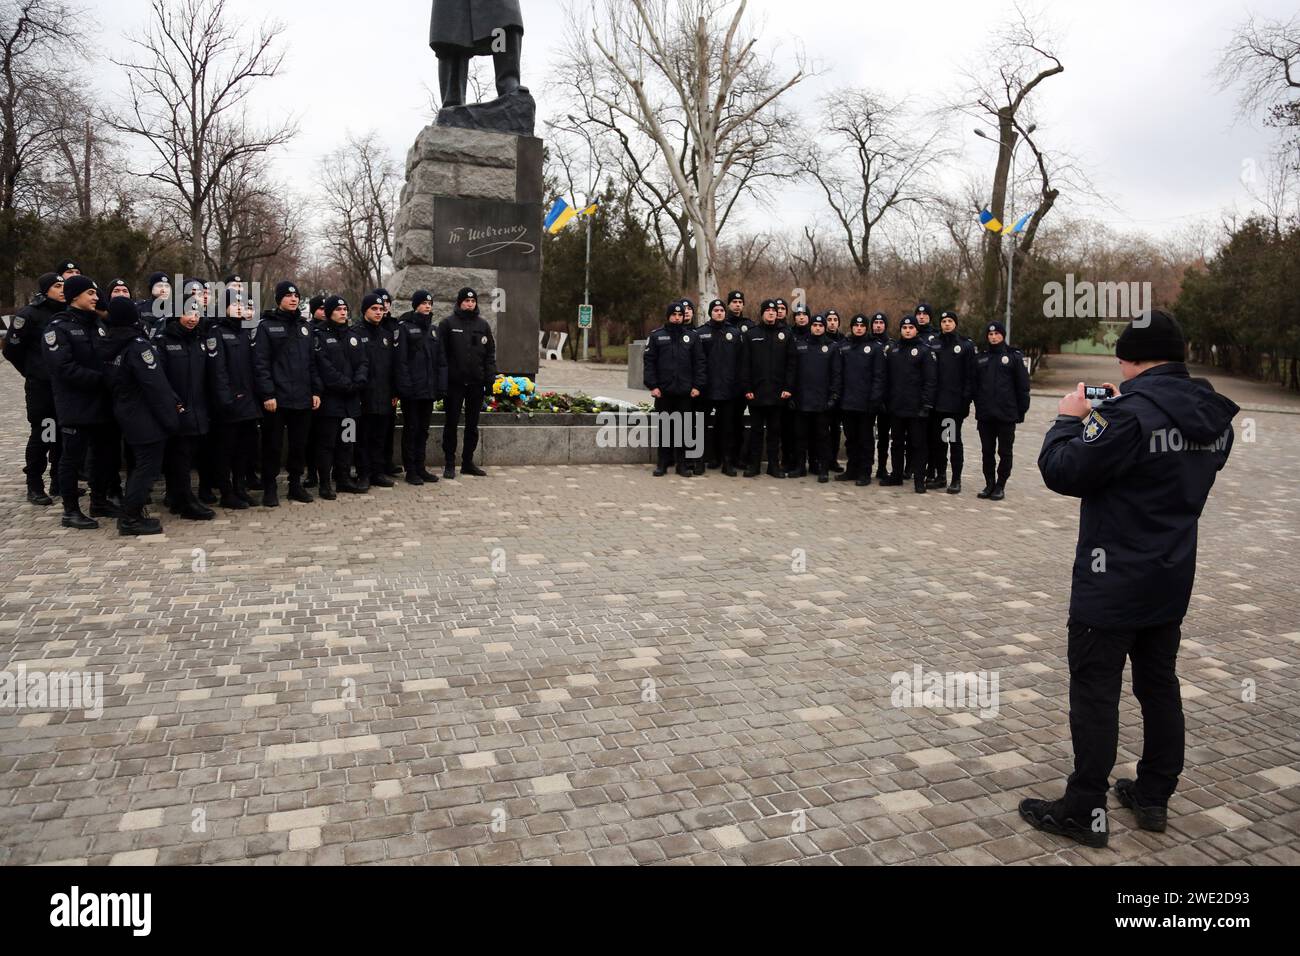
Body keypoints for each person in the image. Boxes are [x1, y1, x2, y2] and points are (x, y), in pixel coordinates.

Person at [1022, 311, 1238, 849]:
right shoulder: (1214, 415)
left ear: (1131, 358)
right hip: (1169, 575)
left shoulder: (1126, 415)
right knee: (1158, 684)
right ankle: (1153, 792)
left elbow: (1064, 470)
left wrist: (1069, 419)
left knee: (1096, 690)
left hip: (1112, 578)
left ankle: (1084, 806)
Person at [43, 276, 120, 529]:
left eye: (96, 293)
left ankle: (99, 500)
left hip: (102, 403)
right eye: (90, 293)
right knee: (72, 458)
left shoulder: (97, 323)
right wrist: (101, 379)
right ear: (75, 295)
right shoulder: (58, 327)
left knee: (104, 455)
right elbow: (63, 367)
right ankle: (70, 510)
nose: (96, 297)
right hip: (75, 403)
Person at [102, 297, 178, 536]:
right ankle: (130, 518)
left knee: (140, 465)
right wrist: (171, 419)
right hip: (144, 415)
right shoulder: (138, 346)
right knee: (147, 467)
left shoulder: (112, 342)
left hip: (126, 411)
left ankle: (131, 513)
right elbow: (156, 386)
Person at [252, 281, 320, 507]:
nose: (294, 299)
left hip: (302, 397)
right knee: (272, 445)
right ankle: (270, 487)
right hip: (276, 399)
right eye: (288, 296)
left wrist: (315, 390)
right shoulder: (266, 326)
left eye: (296, 296)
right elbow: (260, 364)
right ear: (279, 299)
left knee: (299, 445)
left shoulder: (305, 327)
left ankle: (295, 485)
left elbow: (312, 362)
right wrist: (267, 394)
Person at [3, 273, 64, 505]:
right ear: (45, 289)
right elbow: (11, 350)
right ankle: (35, 484)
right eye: (57, 286)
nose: (62, 290)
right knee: (45, 432)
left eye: (63, 286)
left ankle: (59, 480)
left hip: (63, 387)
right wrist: (32, 371)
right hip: (42, 388)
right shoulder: (30, 314)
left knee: (63, 434)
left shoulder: (66, 312)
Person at [158, 299, 215, 521]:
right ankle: (184, 501)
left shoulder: (201, 341)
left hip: (199, 409)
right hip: (177, 409)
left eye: (197, 314)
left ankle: (178, 497)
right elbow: (159, 378)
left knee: (190, 455)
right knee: (179, 457)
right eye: (187, 313)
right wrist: (173, 401)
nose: (193, 318)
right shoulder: (163, 342)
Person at [311, 296, 370, 499]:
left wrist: (359, 381)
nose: (343, 312)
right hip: (331, 402)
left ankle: (343, 480)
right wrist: (347, 384)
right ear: (329, 313)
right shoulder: (318, 335)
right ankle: (325, 484)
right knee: (327, 444)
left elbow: (363, 361)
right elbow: (324, 367)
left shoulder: (353, 335)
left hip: (351, 403)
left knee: (347, 441)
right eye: (338, 309)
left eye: (345, 308)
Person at [208, 291, 261, 510]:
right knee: (225, 450)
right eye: (234, 305)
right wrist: (225, 399)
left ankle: (240, 488)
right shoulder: (216, 332)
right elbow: (217, 370)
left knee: (244, 449)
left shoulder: (245, 332)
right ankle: (226, 492)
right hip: (229, 404)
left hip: (248, 403)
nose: (239, 308)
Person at [438, 287, 496, 479]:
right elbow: (441, 356)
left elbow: (489, 356)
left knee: (472, 425)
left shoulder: (483, 325)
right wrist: (442, 383)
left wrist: (489, 381)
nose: (470, 304)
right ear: (459, 302)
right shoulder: (447, 324)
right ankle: (449, 463)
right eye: (466, 301)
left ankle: (467, 462)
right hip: (455, 384)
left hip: (476, 384)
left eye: (473, 301)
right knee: (451, 424)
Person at [643, 301, 705, 478]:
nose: (677, 318)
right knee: (665, 429)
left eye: (680, 315)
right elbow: (649, 363)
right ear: (668, 316)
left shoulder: (692, 337)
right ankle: (662, 463)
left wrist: (697, 386)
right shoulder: (657, 336)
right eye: (674, 315)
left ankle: (682, 465)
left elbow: (700, 363)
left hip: (685, 392)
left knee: (684, 429)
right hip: (664, 392)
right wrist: (652, 386)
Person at [973, 321, 1031, 501]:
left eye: (997, 334)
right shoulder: (981, 358)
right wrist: (978, 405)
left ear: (1003, 335)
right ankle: (989, 483)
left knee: (1004, 452)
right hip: (986, 415)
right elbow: (975, 386)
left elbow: (1023, 387)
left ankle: (1000, 485)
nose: (993, 337)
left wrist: (1021, 411)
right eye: (990, 334)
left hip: (1006, 414)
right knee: (987, 451)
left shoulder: (1013, 357)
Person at [396, 290, 448, 486]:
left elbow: (441, 361)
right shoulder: (405, 328)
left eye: (430, 303)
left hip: (428, 390)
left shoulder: (434, 330)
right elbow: (401, 362)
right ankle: (410, 470)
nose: (428, 306)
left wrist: (441, 387)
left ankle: (420, 466)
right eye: (424, 303)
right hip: (412, 391)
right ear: (415, 305)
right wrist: (405, 387)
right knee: (411, 429)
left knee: (423, 430)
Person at [739, 300, 794, 479]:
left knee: (774, 432)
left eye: (774, 311)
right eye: (768, 311)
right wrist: (747, 388)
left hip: (778, 394)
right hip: (756, 393)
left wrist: (788, 387)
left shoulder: (786, 334)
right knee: (756, 431)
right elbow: (744, 363)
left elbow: (791, 364)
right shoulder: (752, 334)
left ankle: (773, 466)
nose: (771, 313)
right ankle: (754, 465)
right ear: (762, 313)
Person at [881, 316, 936, 494]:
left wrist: (926, 404)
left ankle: (919, 479)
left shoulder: (925, 351)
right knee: (896, 443)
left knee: (918, 444)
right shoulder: (894, 350)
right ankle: (896, 475)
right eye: (904, 327)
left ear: (916, 330)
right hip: (896, 406)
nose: (907, 330)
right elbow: (887, 379)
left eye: (911, 327)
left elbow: (930, 380)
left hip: (916, 408)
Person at [354, 294, 400, 490]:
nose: (379, 312)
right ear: (365, 310)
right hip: (364, 395)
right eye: (374, 309)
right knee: (363, 436)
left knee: (380, 436)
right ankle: (363, 474)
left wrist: (394, 392)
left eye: (381, 309)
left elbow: (392, 367)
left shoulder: (386, 335)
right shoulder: (355, 333)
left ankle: (377, 472)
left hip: (384, 394)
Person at [927, 310, 976, 494]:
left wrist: (965, 402)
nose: (946, 324)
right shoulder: (934, 344)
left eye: (950, 321)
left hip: (953, 405)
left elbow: (970, 377)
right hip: (937, 405)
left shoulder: (964, 346)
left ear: (955, 324)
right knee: (938, 443)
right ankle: (941, 476)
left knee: (953, 440)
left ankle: (956, 479)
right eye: (944, 321)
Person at [789, 313, 842, 482]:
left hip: (822, 401)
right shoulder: (800, 345)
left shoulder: (832, 347)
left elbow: (836, 375)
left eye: (820, 326)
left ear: (824, 327)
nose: (817, 328)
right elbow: (793, 372)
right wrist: (791, 394)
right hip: (802, 399)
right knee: (799, 436)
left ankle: (823, 469)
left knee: (822, 437)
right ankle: (800, 467)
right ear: (810, 327)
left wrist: (833, 396)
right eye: (814, 325)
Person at [837, 314, 887, 486]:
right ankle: (852, 469)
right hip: (847, 402)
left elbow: (879, 376)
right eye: (855, 325)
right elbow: (839, 375)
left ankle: (865, 472)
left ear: (867, 328)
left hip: (866, 403)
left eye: (862, 325)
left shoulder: (875, 348)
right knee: (851, 439)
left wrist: (875, 399)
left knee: (865, 439)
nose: (858, 328)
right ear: (851, 327)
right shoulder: (844, 346)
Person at [696, 298, 743, 476]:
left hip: (727, 391)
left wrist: (737, 386)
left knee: (727, 429)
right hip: (705, 390)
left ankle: (727, 463)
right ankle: (700, 461)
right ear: (710, 313)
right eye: (715, 310)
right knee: (701, 427)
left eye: (722, 310)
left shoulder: (734, 333)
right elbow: (697, 362)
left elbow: (740, 363)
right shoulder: (700, 333)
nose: (719, 313)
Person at [866, 313, 893, 480]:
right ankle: (867, 465)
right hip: (869, 396)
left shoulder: (892, 346)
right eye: (875, 322)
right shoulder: (866, 344)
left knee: (884, 435)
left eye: (881, 322)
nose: (877, 325)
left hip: (886, 398)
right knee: (867, 434)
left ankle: (882, 467)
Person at [137, 272, 172, 341]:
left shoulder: (175, 309)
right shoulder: (139, 308)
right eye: (159, 286)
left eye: (167, 286)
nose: (164, 290)